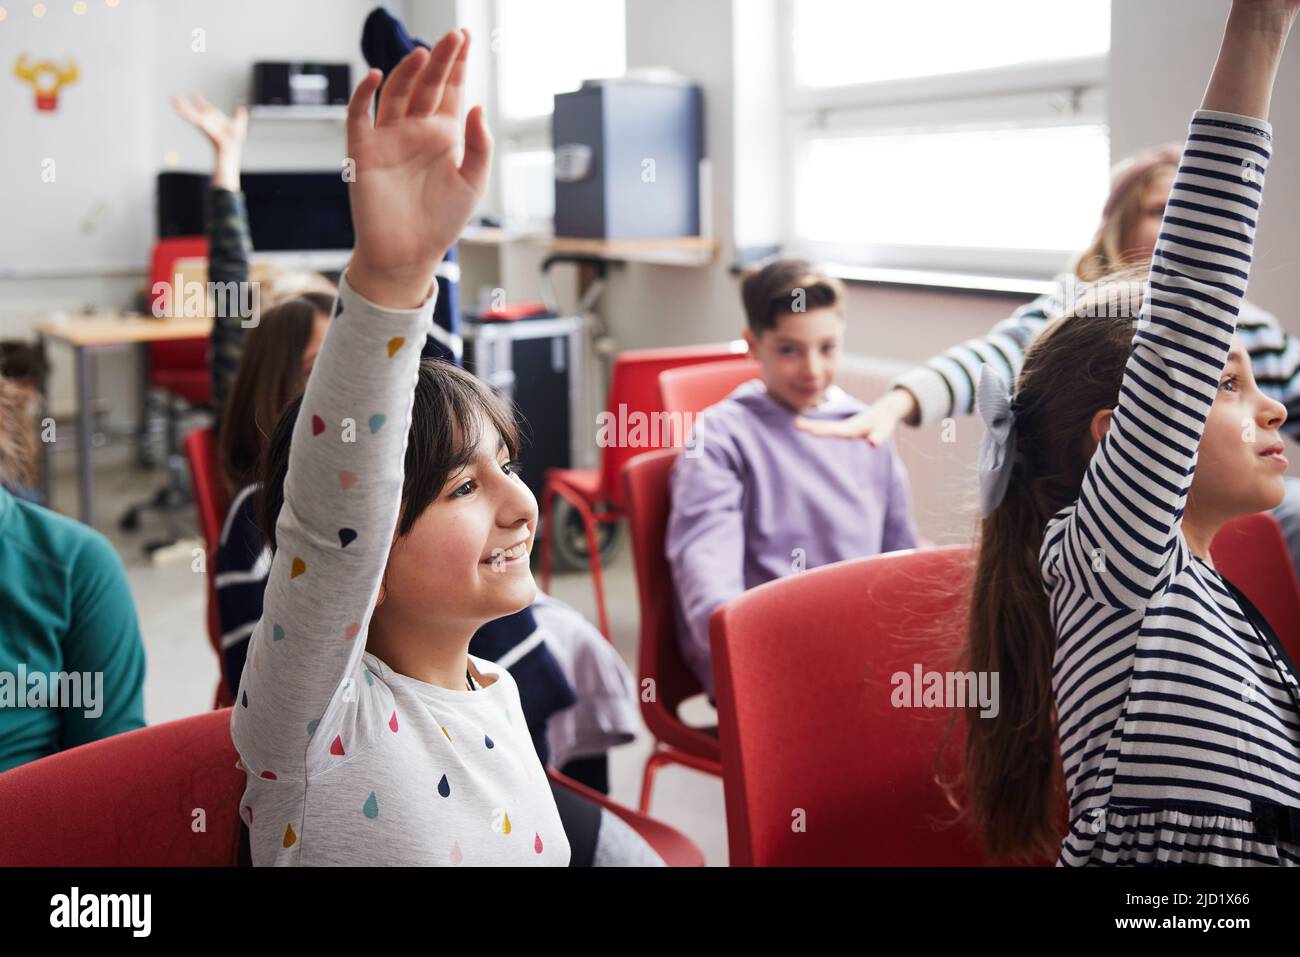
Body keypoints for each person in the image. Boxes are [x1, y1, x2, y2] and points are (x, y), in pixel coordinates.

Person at [961, 0, 1300, 865]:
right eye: (1225, 384)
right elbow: (1191, 297)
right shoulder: (1120, 568)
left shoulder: (1195, 582)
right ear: (1122, 441)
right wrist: (1258, 29)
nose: (1273, 409)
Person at [667, 258, 919, 698]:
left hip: (861, 651)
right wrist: (743, 669)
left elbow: (901, 554)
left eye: (827, 348)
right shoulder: (723, 438)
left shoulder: (864, 426)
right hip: (766, 660)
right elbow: (706, 576)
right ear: (753, 344)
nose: (812, 370)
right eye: (789, 349)